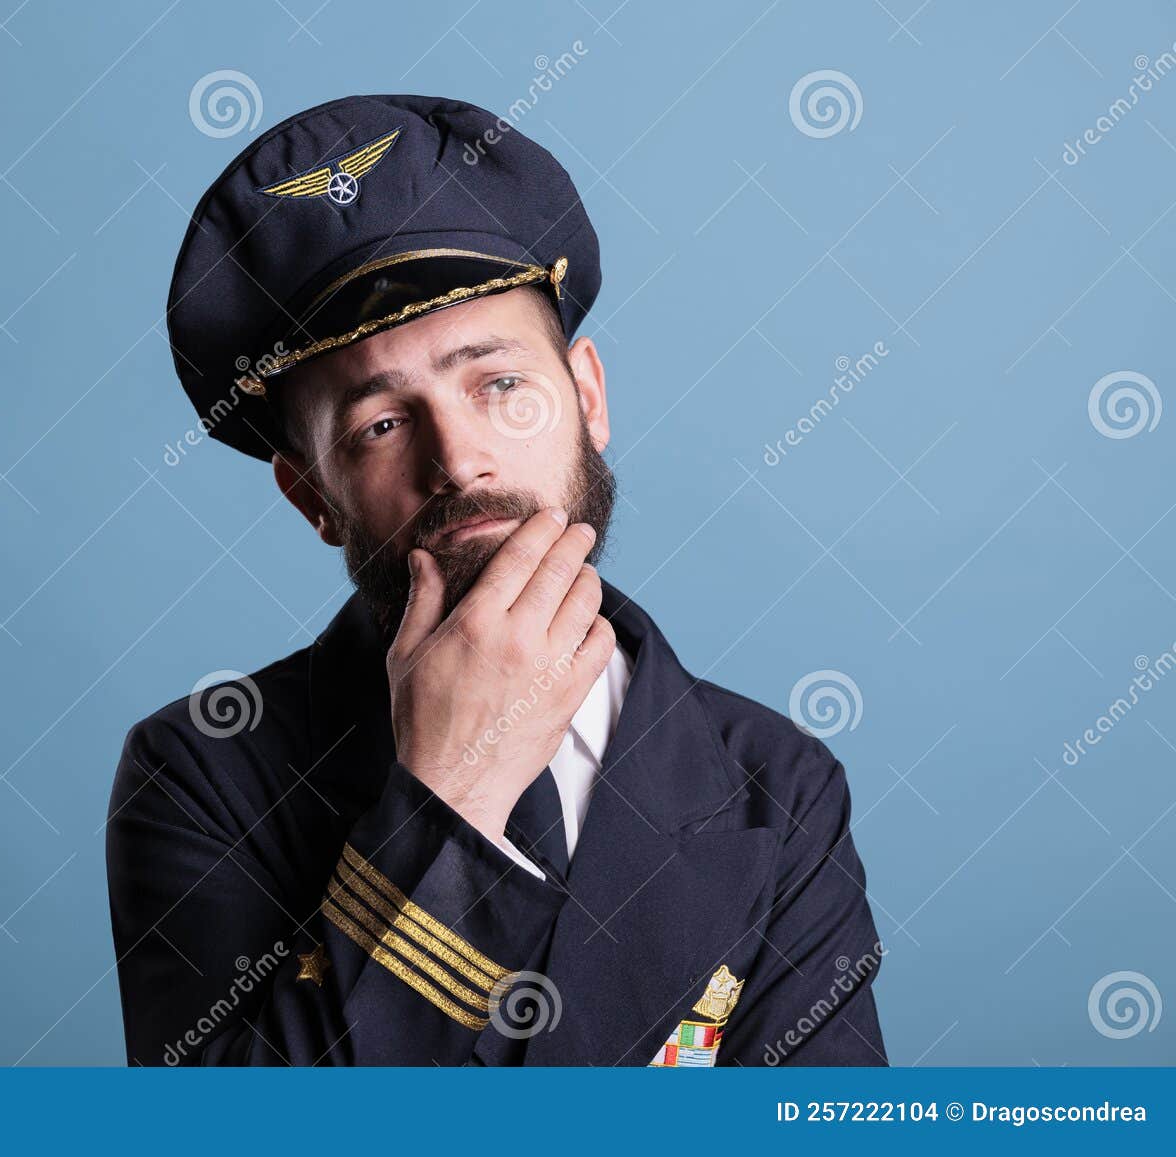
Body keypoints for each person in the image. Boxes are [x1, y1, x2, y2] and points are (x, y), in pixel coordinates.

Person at [106, 94, 887, 1066]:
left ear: (587, 397)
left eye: (499, 383)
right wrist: (451, 789)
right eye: (381, 423)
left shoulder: (778, 783)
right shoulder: (202, 773)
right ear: (311, 492)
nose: (460, 460)